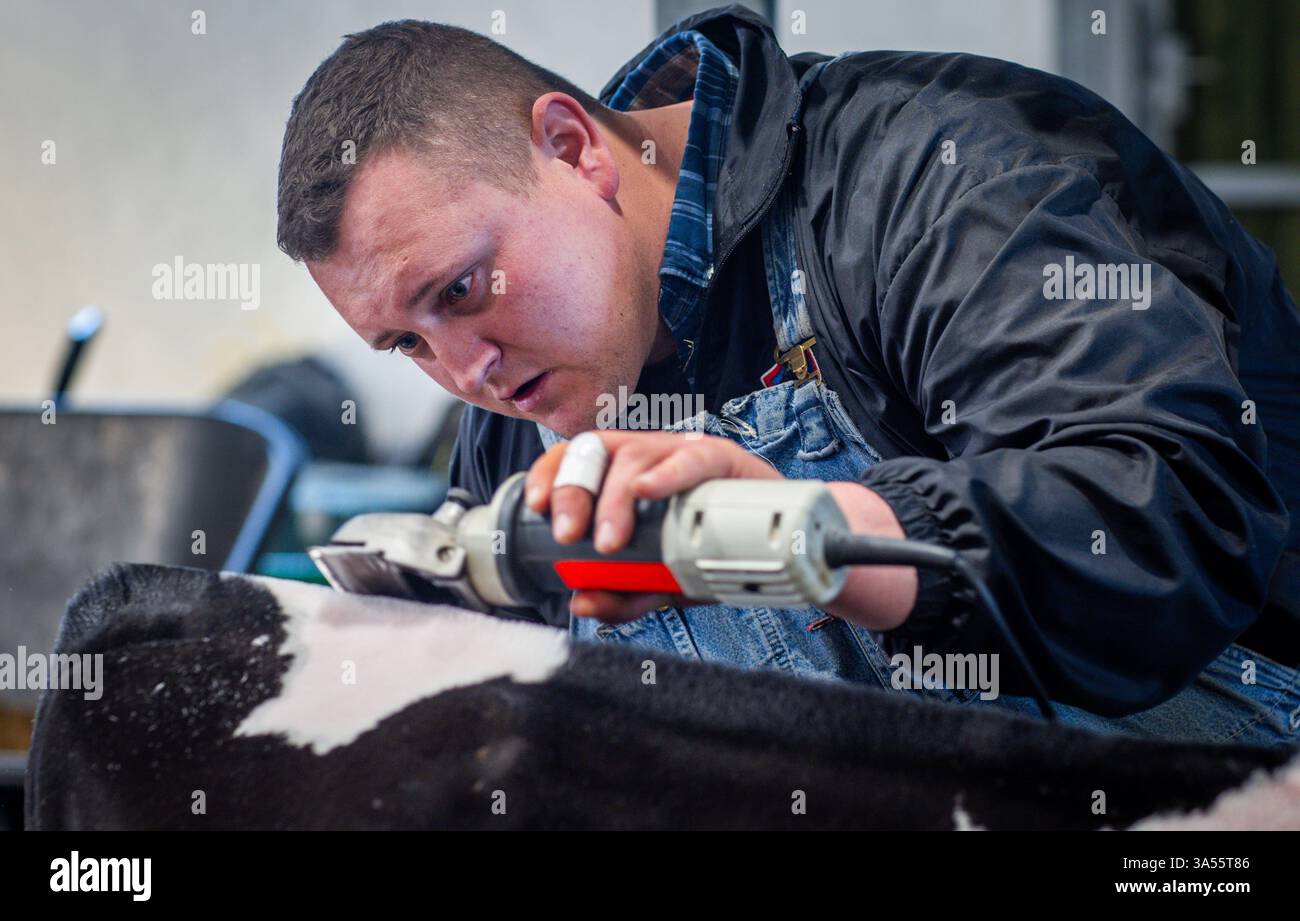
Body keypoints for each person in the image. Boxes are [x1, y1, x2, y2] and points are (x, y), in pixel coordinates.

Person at [276, 7, 1300, 745]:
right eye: (405, 345)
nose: (466, 370)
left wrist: (803, 537)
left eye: (461, 289)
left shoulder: (941, 177)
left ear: (572, 147)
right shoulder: (519, 407)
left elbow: (1165, 519)